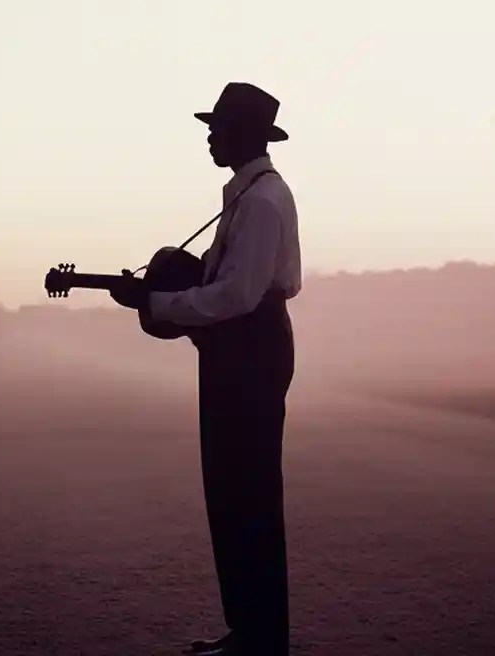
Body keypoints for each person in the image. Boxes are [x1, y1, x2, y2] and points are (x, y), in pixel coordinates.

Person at [110, 82, 301, 656]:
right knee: (230, 490)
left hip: (252, 346)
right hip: (238, 348)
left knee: (249, 491)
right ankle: (249, 630)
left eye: (217, 128)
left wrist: (158, 304)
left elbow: (236, 295)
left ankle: (262, 638)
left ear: (245, 134)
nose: (210, 137)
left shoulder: (263, 201)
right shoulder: (247, 195)